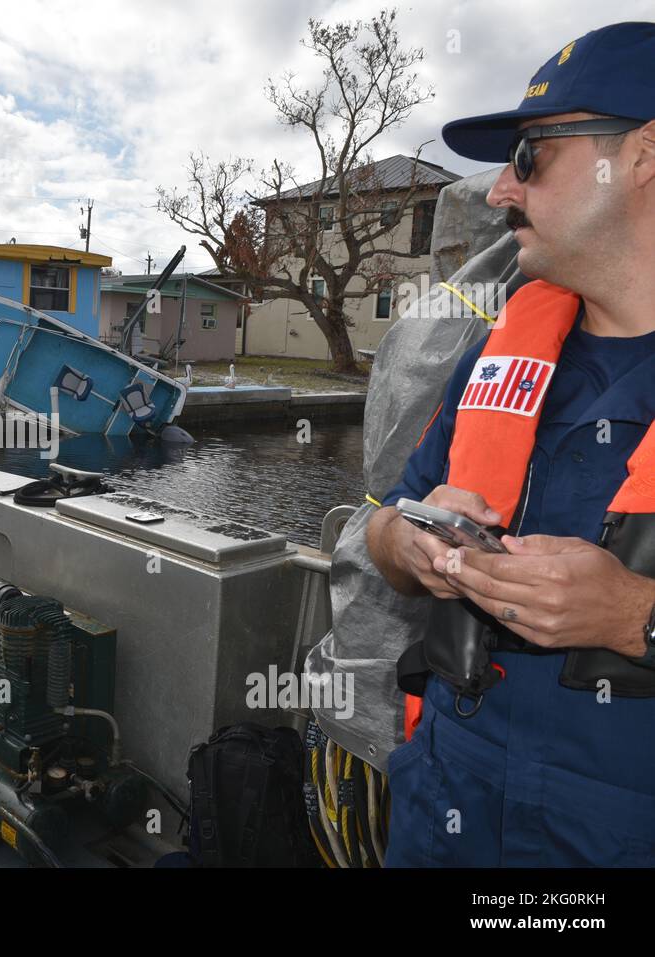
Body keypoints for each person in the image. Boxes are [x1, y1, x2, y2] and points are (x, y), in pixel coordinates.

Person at [368, 21, 655, 866]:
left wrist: (637, 618)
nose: (499, 190)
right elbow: (383, 527)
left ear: (643, 154)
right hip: (446, 800)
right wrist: (409, 542)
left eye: (531, 155)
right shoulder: (496, 356)